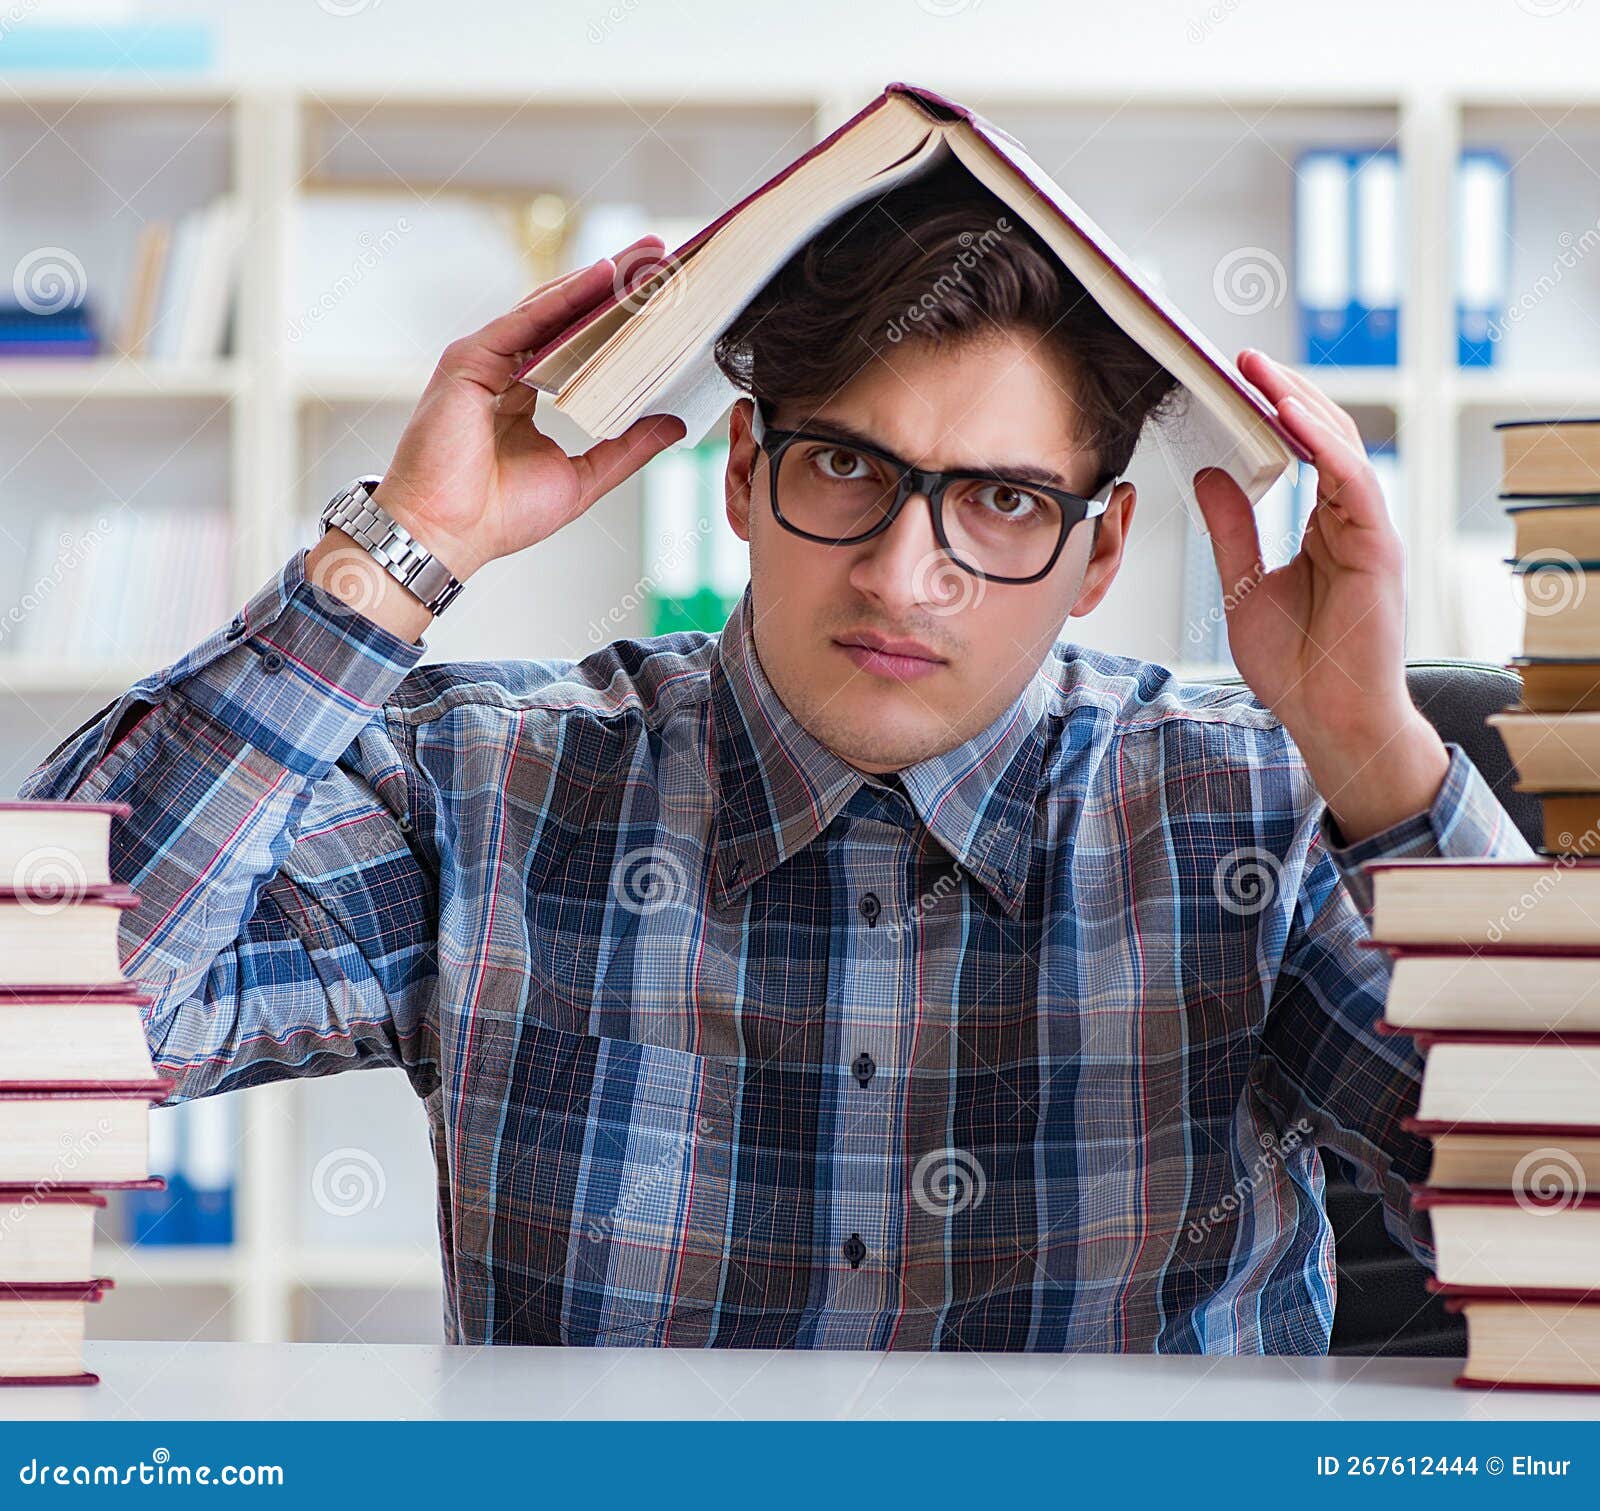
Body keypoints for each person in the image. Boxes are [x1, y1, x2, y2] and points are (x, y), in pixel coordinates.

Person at [22, 160, 1531, 1352]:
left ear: (1099, 551)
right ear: (744, 475)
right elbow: (47, 1029)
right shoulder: (488, 785)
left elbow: (1562, 1215)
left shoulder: (1247, 809)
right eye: (846, 467)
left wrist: (1376, 759)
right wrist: (392, 561)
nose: (898, 575)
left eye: (1000, 501)